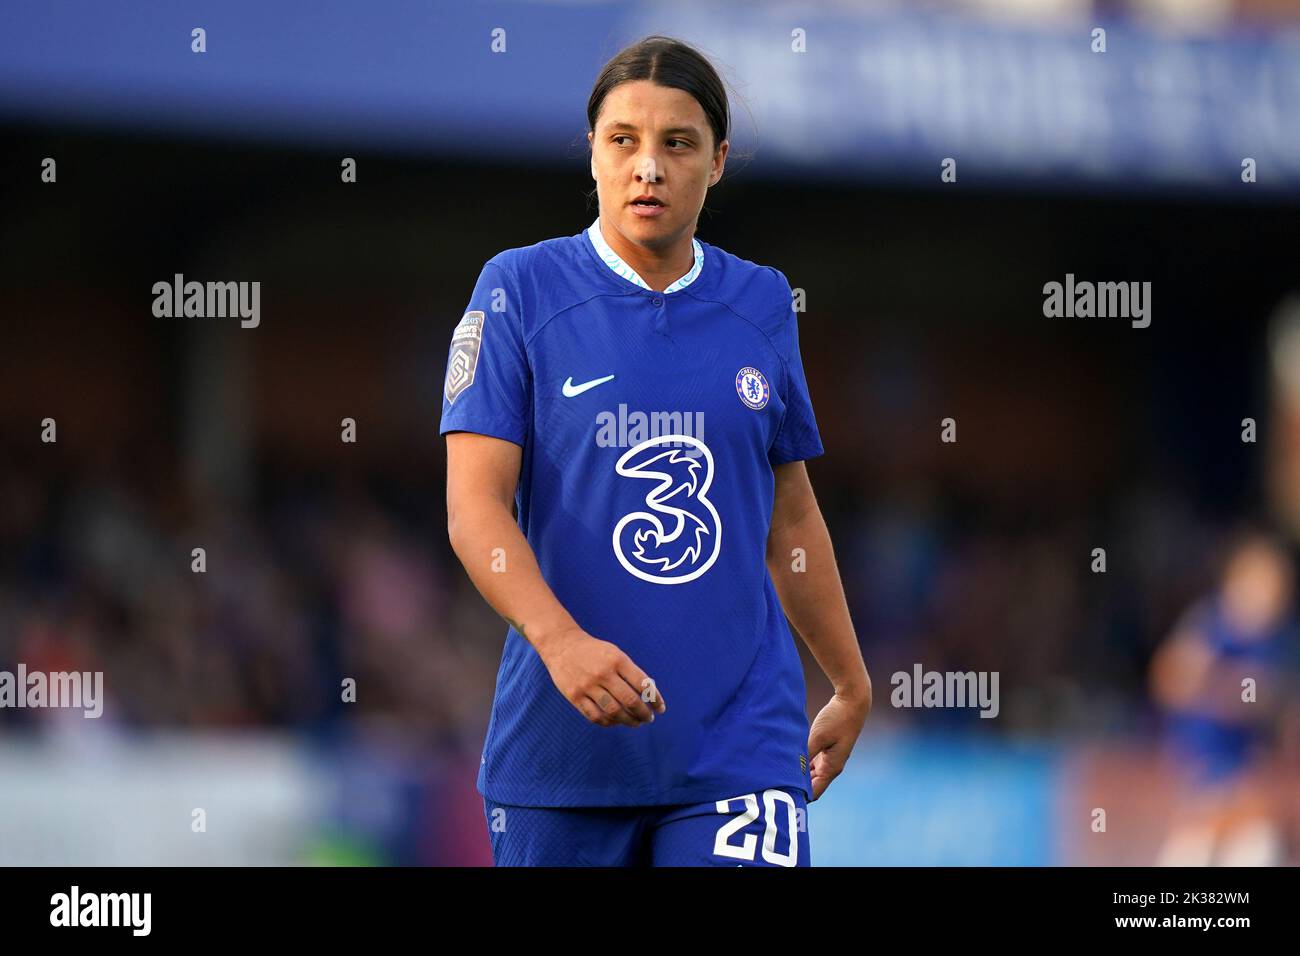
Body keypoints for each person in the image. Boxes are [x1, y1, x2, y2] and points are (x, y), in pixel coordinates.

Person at [440, 35, 871, 866]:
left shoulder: (762, 300)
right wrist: (561, 643)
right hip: (562, 753)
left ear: (716, 162)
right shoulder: (518, 288)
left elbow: (791, 517)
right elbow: (474, 507)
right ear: (593, 155)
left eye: (678, 143)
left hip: (741, 748)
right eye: (623, 141)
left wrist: (849, 682)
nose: (649, 167)